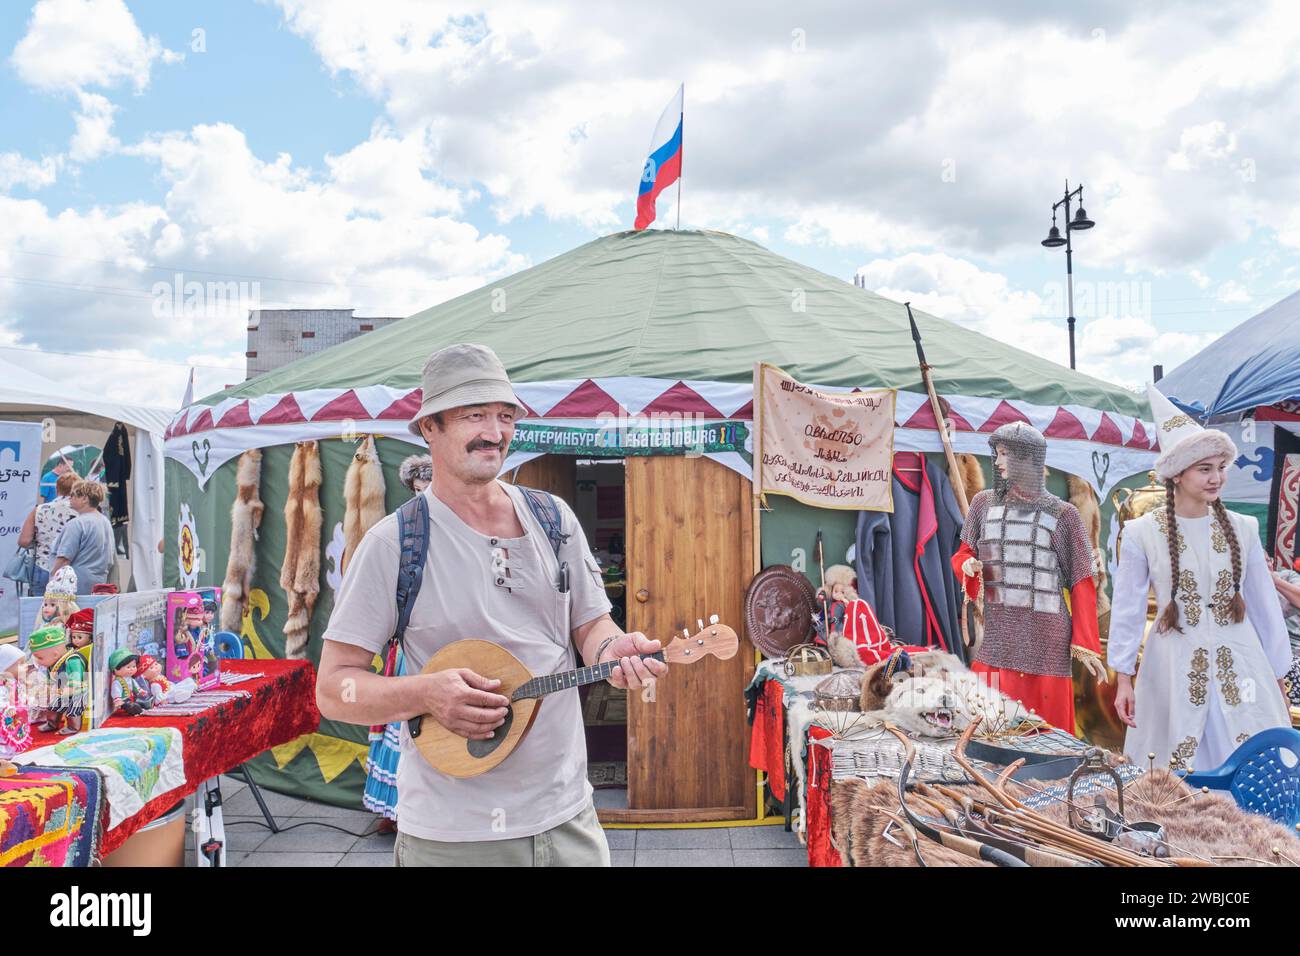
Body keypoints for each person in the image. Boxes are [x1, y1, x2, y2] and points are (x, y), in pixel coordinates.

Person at [317, 344, 667, 867]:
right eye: (473, 414)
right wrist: (425, 694)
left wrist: (616, 651)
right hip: (452, 836)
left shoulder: (555, 518)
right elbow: (334, 688)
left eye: (505, 415)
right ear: (429, 427)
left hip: (568, 815)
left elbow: (591, 625)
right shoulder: (396, 544)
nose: (494, 431)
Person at [1109, 386, 1292, 773]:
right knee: (1171, 756)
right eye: (1204, 469)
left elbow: (1263, 606)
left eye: (1221, 467)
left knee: (1248, 749)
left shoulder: (1242, 527)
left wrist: (1278, 673)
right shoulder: (1142, 532)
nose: (1217, 478)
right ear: (1177, 474)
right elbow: (1127, 608)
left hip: (1241, 661)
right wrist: (1124, 678)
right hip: (1171, 664)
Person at [950, 422, 1106, 732]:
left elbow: (1081, 579)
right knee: (990, 732)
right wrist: (967, 566)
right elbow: (963, 553)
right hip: (998, 638)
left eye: (1005, 454)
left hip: (1046, 641)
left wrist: (1086, 644)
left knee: (1046, 737)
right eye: (997, 454)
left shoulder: (1063, 514)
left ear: (1029, 458)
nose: (997, 462)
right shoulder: (983, 504)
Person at [362, 454, 433, 832]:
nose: (424, 496)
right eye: (419, 489)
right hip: (408, 642)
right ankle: (395, 809)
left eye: (429, 488)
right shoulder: (401, 531)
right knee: (403, 723)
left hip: (443, 641)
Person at [17, 472, 78, 594]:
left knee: (40, 609)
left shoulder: (39, 509)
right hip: (71, 569)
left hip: (43, 566)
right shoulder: (80, 511)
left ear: (56, 489)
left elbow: (24, 541)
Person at [50, 479, 115, 591]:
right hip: (99, 583)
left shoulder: (76, 524)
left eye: (73, 495)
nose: (70, 498)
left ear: (85, 499)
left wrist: (52, 580)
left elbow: (64, 558)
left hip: (75, 585)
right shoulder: (105, 522)